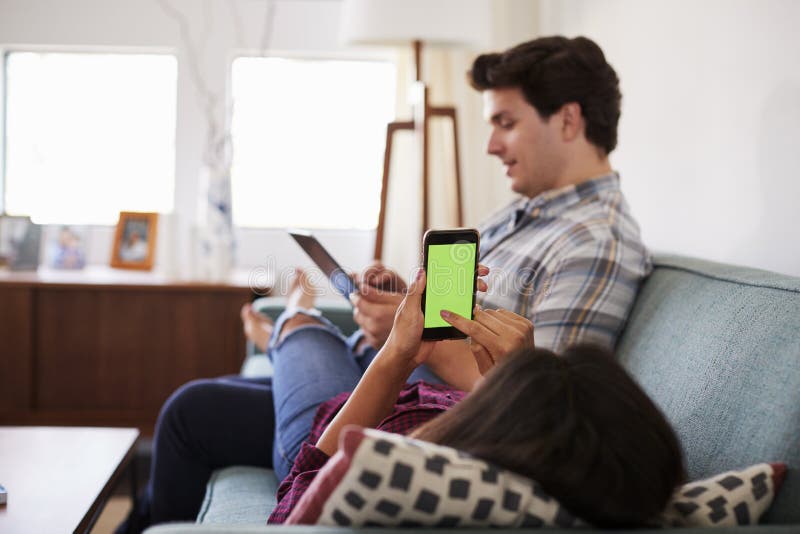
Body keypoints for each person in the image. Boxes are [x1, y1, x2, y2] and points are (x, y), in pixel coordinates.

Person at [117, 35, 653, 532]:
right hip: (394, 383)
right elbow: (463, 323)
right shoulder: (521, 215)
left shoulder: (593, 243)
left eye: (506, 123)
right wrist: (404, 302)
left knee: (194, 411)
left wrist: (415, 344)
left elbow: (539, 399)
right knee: (197, 407)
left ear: (568, 120)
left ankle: (290, 329)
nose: (491, 145)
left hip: (414, 408)